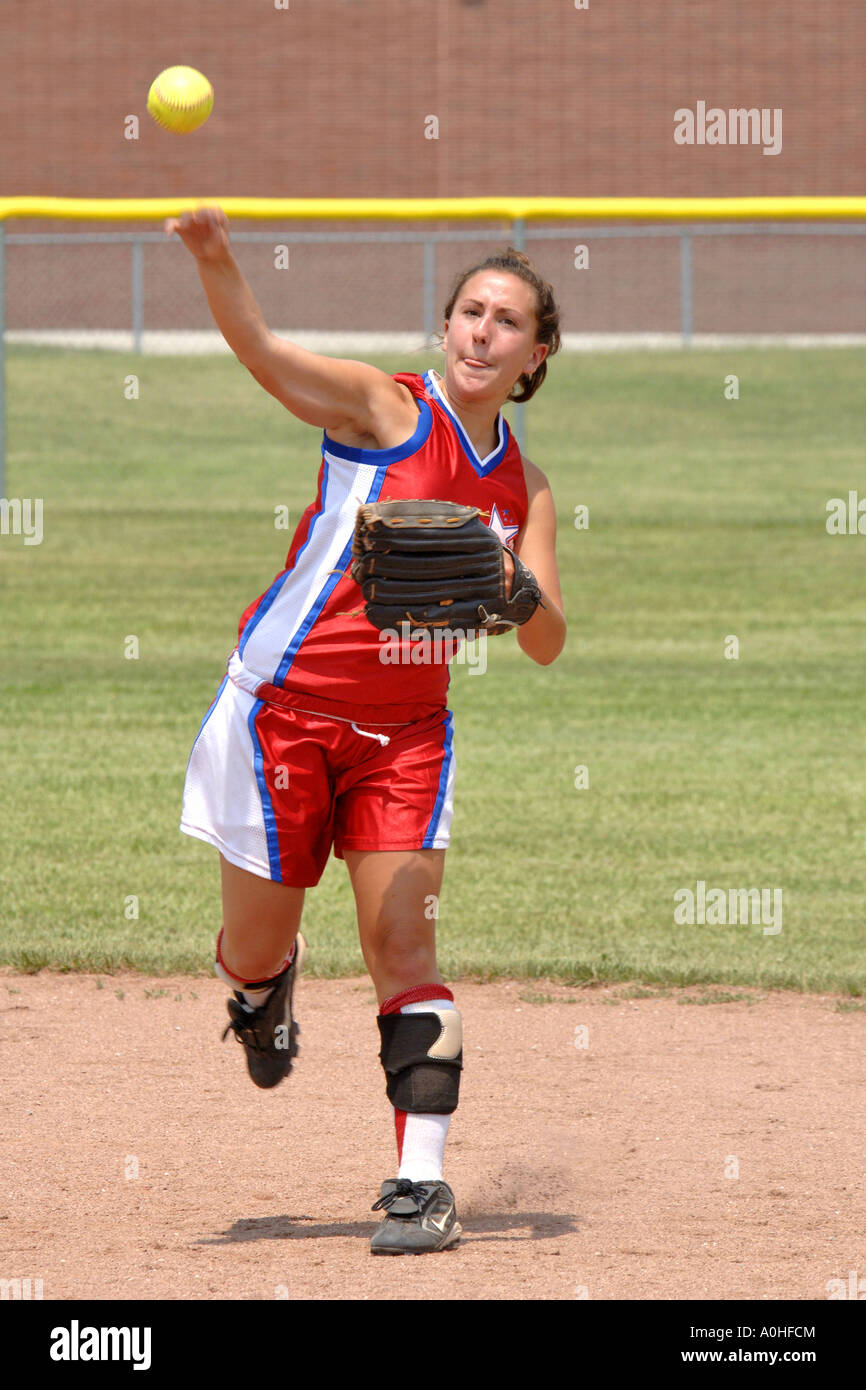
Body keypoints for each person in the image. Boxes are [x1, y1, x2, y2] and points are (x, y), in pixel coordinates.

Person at [167, 206, 567, 1254]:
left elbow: (547, 641)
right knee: (252, 943)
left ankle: (419, 1181)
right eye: (469, 313)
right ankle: (262, 989)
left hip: (405, 737)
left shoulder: (524, 487)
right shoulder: (386, 410)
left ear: (534, 355)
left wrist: (512, 587)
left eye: (507, 321)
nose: (483, 332)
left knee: (402, 941)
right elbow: (263, 354)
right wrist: (215, 256)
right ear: (445, 330)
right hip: (280, 714)